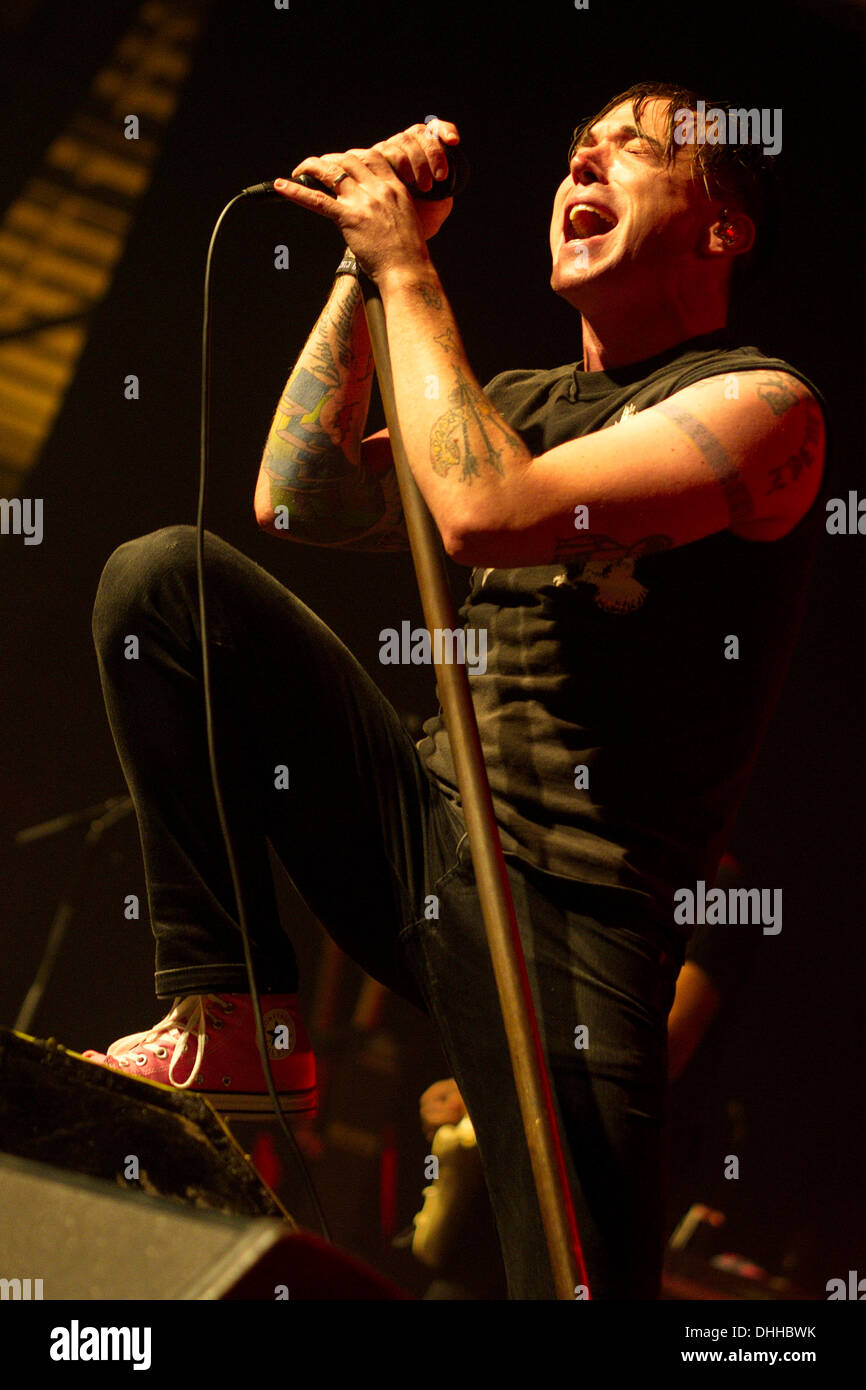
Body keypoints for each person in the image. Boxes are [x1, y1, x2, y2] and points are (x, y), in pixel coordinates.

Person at [81, 82, 827, 1299]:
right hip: (425, 838)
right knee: (169, 584)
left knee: (569, 1287)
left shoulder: (762, 407)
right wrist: (365, 270)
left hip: (573, 920)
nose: (583, 160)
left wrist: (408, 275)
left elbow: (488, 512)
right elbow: (297, 493)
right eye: (575, 147)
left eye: (631, 151)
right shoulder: (520, 402)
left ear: (720, 227)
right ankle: (232, 1019)